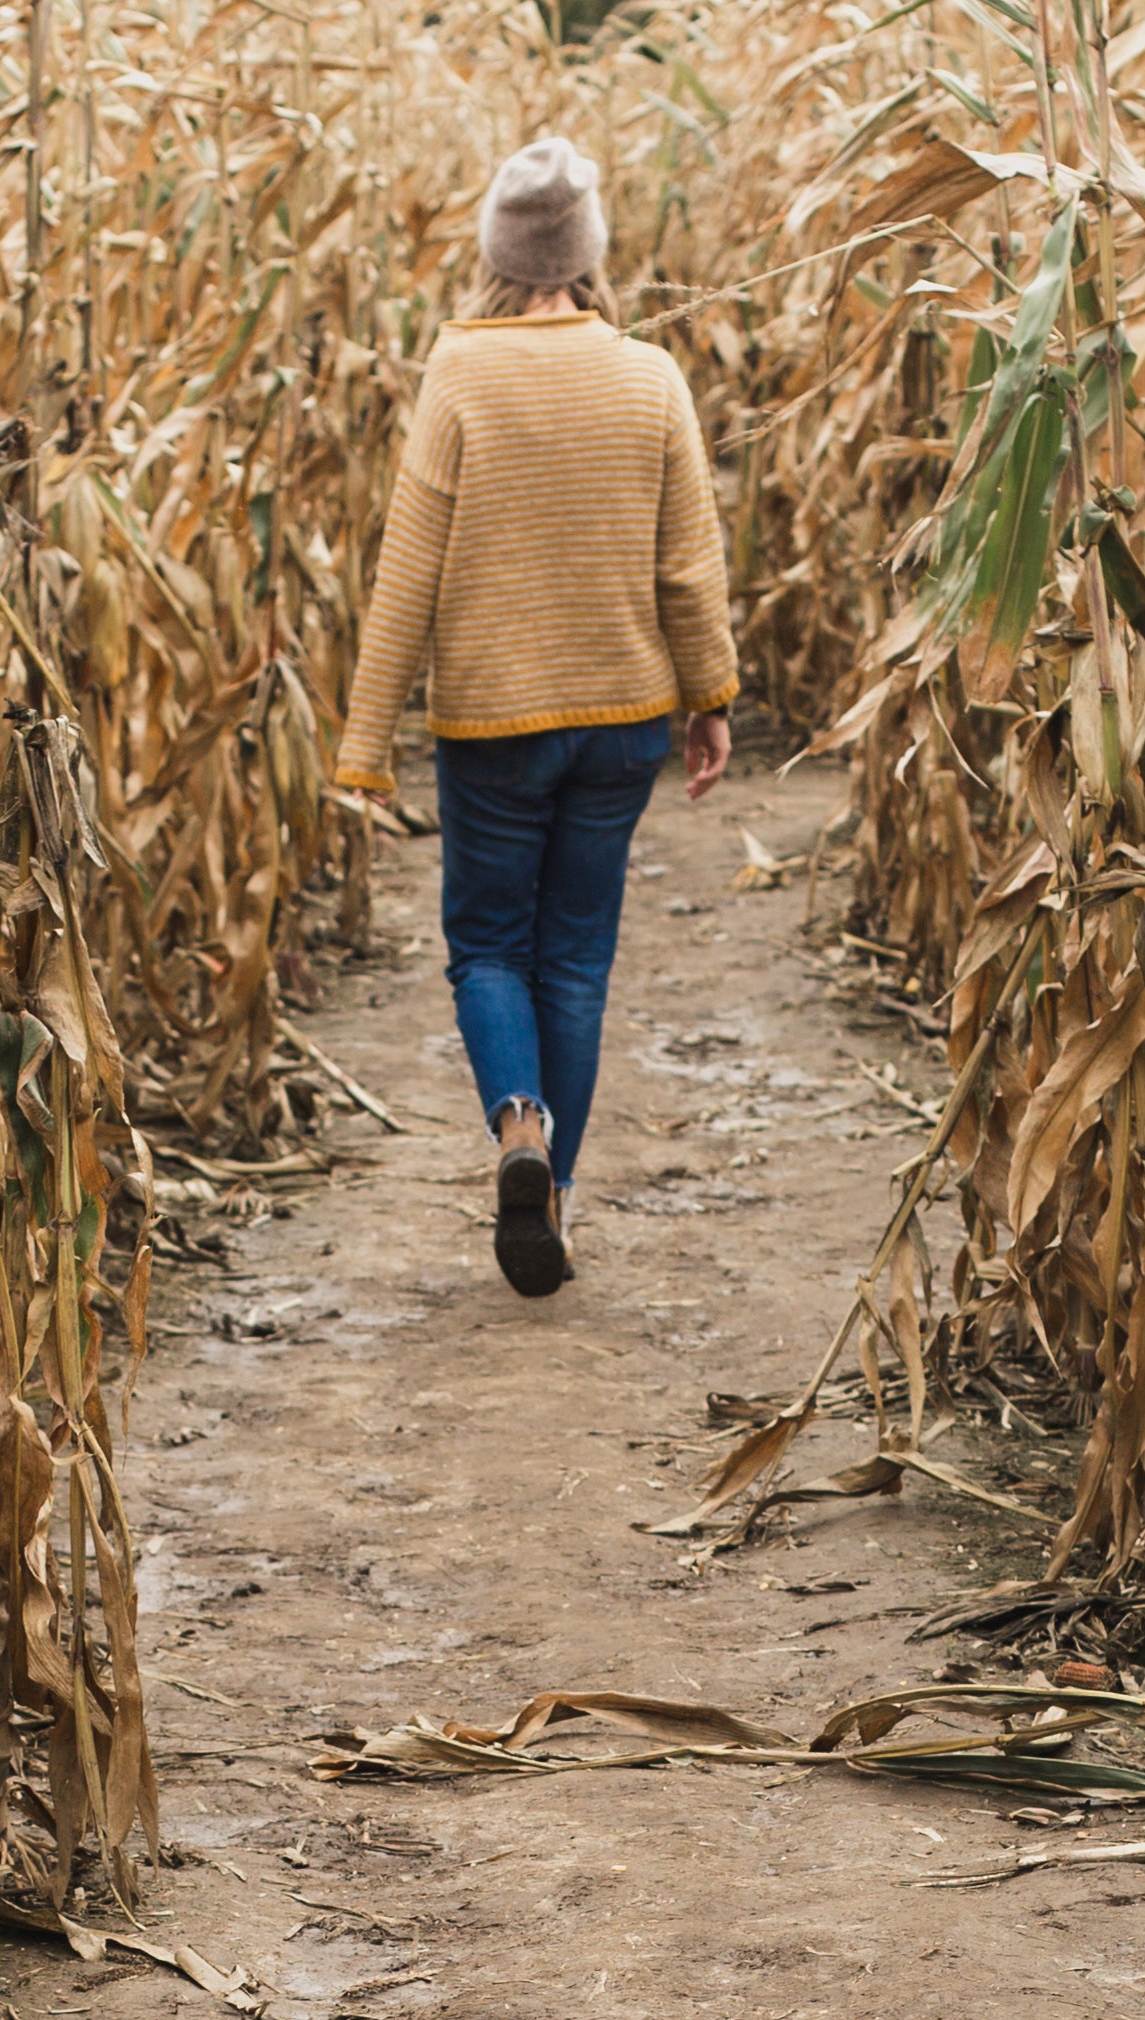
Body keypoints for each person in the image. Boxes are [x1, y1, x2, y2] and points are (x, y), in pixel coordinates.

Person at [338, 136, 737, 1298]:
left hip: (493, 724)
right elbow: (688, 572)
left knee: (487, 949)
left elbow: (405, 575)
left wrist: (364, 747)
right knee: (574, 960)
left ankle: (517, 1130)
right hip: (623, 719)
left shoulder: (458, 375)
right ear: (590, 251)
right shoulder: (649, 376)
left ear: (494, 254)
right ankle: (551, 1201)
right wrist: (709, 698)